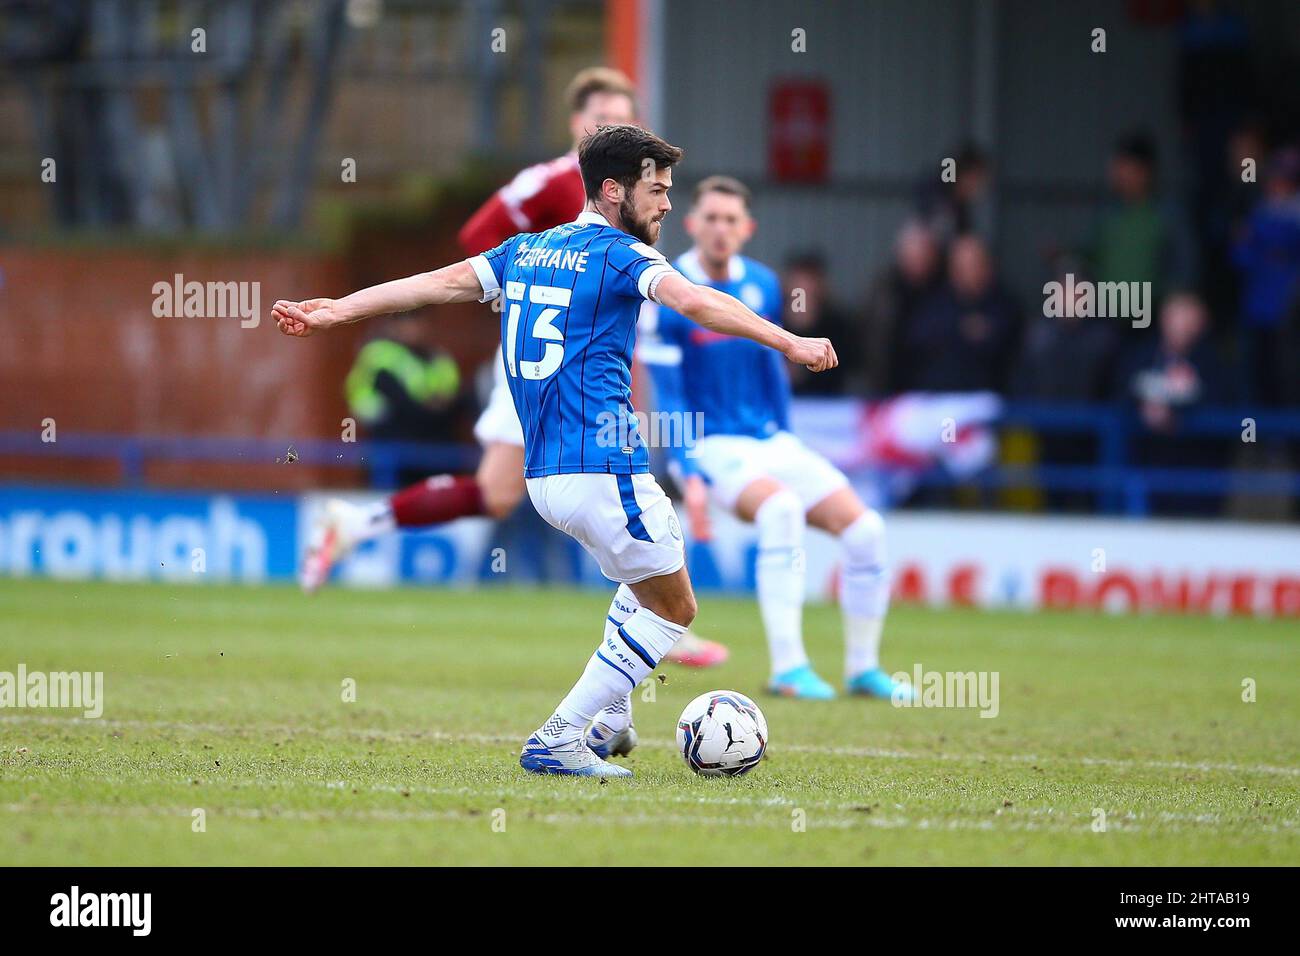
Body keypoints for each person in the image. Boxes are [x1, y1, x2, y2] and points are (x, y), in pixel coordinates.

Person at [273, 125, 838, 777]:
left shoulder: (527, 251)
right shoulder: (622, 257)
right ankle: (561, 736)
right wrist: (788, 342)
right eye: (656, 190)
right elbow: (696, 301)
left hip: (547, 475)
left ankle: (613, 721)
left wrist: (336, 311)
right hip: (602, 466)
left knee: (646, 576)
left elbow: (434, 282)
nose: (666, 205)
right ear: (611, 191)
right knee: (676, 607)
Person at [297, 65, 728, 668]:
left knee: (507, 492)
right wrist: (526, 285)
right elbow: (476, 236)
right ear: (579, 124)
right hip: (547, 359)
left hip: (593, 355)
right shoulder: (551, 184)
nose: (613, 125)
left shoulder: (633, 189)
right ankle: (662, 617)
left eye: (625, 116)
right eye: (602, 114)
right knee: (596, 480)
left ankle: (357, 521)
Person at [639, 175, 909, 702]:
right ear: (692, 225)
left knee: (867, 531)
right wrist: (687, 472)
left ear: (747, 228)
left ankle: (863, 669)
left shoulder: (762, 284)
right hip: (712, 445)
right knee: (781, 510)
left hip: (770, 440)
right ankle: (789, 667)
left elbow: (772, 369)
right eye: (710, 218)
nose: (720, 229)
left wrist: (786, 438)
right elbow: (666, 396)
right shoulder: (670, 290)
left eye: (730, 220)